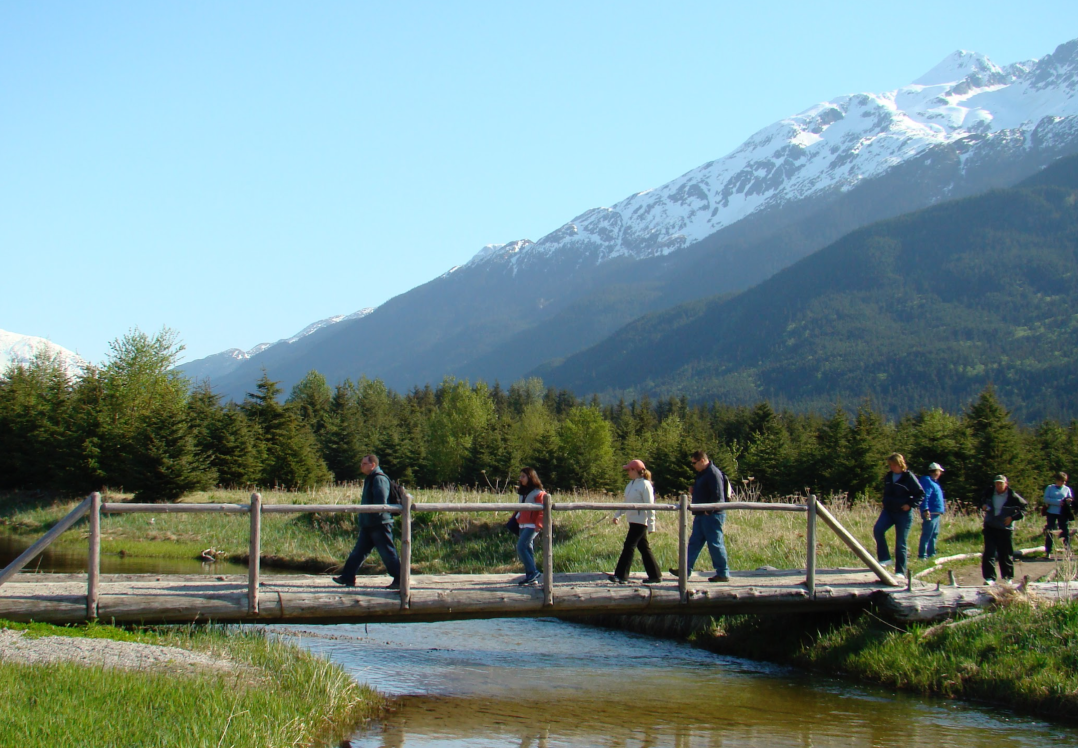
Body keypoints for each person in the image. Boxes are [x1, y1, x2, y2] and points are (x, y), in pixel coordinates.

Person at [333, 454, 402, 590]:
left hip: (379, 523)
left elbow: (380, 501)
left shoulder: (379, 479)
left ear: (373, 465)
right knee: (359, 551)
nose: (361, 466)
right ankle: (348, 576)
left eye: (364, 463)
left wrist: (375, 516)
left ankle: (399, 578)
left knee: (387, 552)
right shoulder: (371, 478)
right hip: (370, 523)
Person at [670, 450, 731, 582]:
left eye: (694, 462)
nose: (693, 466)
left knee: (715, 543)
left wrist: (709, 511)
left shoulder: (713, 474)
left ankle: (723, 572)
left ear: (702, 460)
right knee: (694, 543)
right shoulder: (702, 474)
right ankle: (685, 570)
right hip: (701, 515)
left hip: (711, 515)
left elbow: (718, 496)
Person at [608, 459, 661, 584]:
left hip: (641, 521)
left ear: (634, 470)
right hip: (632, 520)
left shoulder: (645, 485)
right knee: (644, 548)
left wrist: (651, 525)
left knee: (628, 546)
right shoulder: (630, 485)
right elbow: (626, 503)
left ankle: (621, 575)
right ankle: (655, 575)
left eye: (629, 470)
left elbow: (650, 505)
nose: (627, 472)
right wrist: (618, 515)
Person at [873, 453, 925, 577]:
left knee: (901, 542)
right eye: (890, 465)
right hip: (888, 511)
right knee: (878, 530)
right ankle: (885, 559)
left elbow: (920, 494)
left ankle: (900, 571)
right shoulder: (889, 476)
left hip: (903, 514)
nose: (891, 467)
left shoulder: (908, 477)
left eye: (894, 465)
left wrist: (910, 504)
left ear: (900, 464)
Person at [982, 475, 1027, 585]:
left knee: (1005, 553)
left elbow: (1024, 508)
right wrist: (983, 505)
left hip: (1005, 528)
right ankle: (990, 578)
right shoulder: (989, 492)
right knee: (989, 553)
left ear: (1006, 484)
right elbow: (981, 501)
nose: (998, 485)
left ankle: (1007, 578)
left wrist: (1012, 517)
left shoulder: (1012, 496)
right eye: (997, 483)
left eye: (1001, 483)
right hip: (990, 526)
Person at [514, 467, 547, 587]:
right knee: (528, 548)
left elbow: (542, 510)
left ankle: (533, 572)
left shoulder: (539, 493)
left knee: (521, 547)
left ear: (530, 477)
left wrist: (539, 524)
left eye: (523, 476)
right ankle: (530, 577)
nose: (520, 479)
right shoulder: (523, 492)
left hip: (532, 525)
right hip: (522, 523)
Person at [917, 463, 946, 560]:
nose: (940, 473)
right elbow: (925, 496)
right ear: (935, 471)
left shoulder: (934, 482)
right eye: (939, 471)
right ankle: (922, 555)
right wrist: (925, 509)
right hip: (931, 512)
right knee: (927, 534)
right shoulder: (928, 482)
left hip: (936, 512)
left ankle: (931, 553)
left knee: (934, 534)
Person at [1043, 472, 1073, 558]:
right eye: (1062, 481)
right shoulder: (1050, 488)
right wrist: (1058, 502)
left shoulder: (1067, 489)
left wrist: (1069, 502)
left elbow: (1069, 499)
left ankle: (1067, 550)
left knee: (1065, 531)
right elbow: (1046, 499)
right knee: (1050, 531)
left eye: (1065, 481)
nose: (1064, 483)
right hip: (1051, 512)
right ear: (1057, 480)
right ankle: (1048, 551)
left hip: (1063, 513)